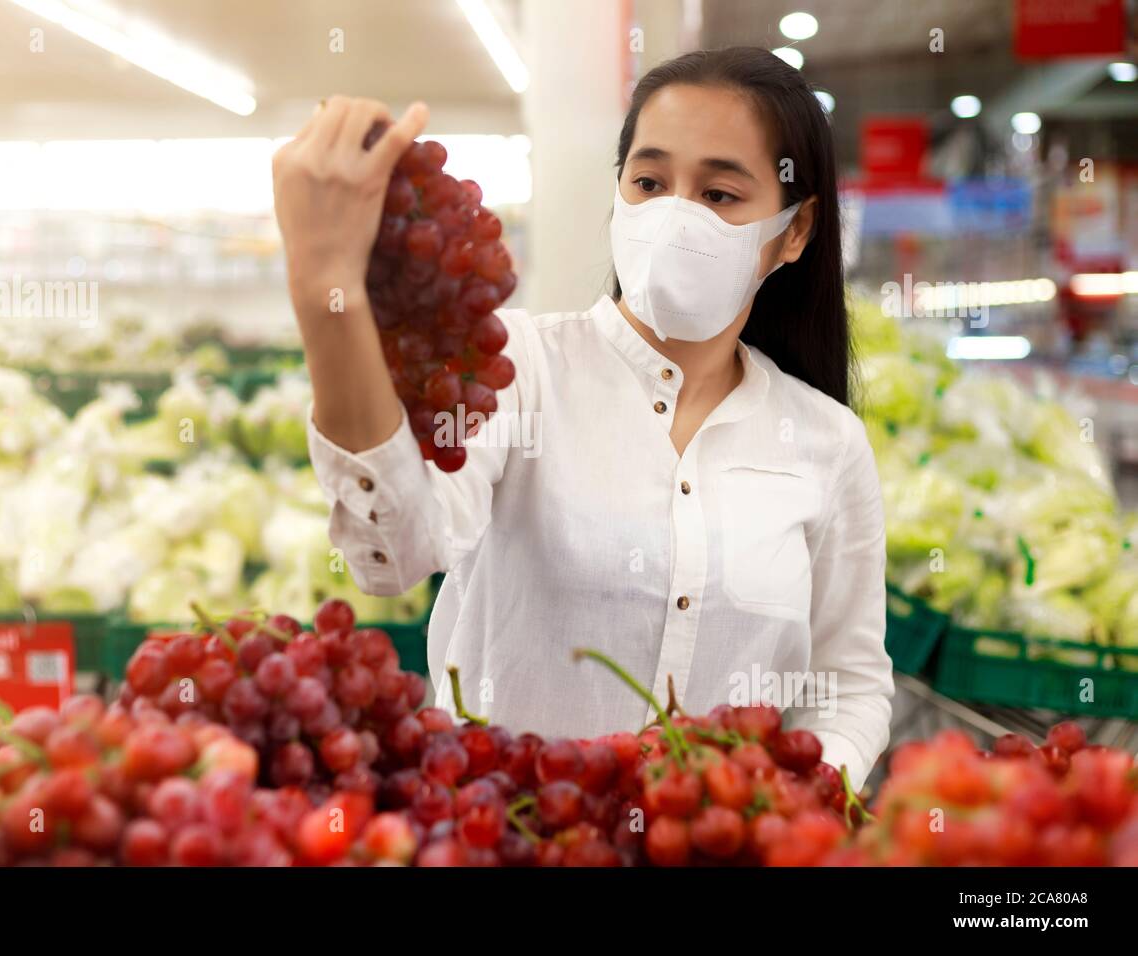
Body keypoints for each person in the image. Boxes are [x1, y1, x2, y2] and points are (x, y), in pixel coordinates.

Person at [271, 47, 892, 788]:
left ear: (794, 231)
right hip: (505, 834)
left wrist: (808, 797)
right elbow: (389, 552)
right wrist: (326, 294)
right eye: (650, 182)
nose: (673, 216)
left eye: (720, 194)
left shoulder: (827, 441)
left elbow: (848, 685)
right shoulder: (520, 371)